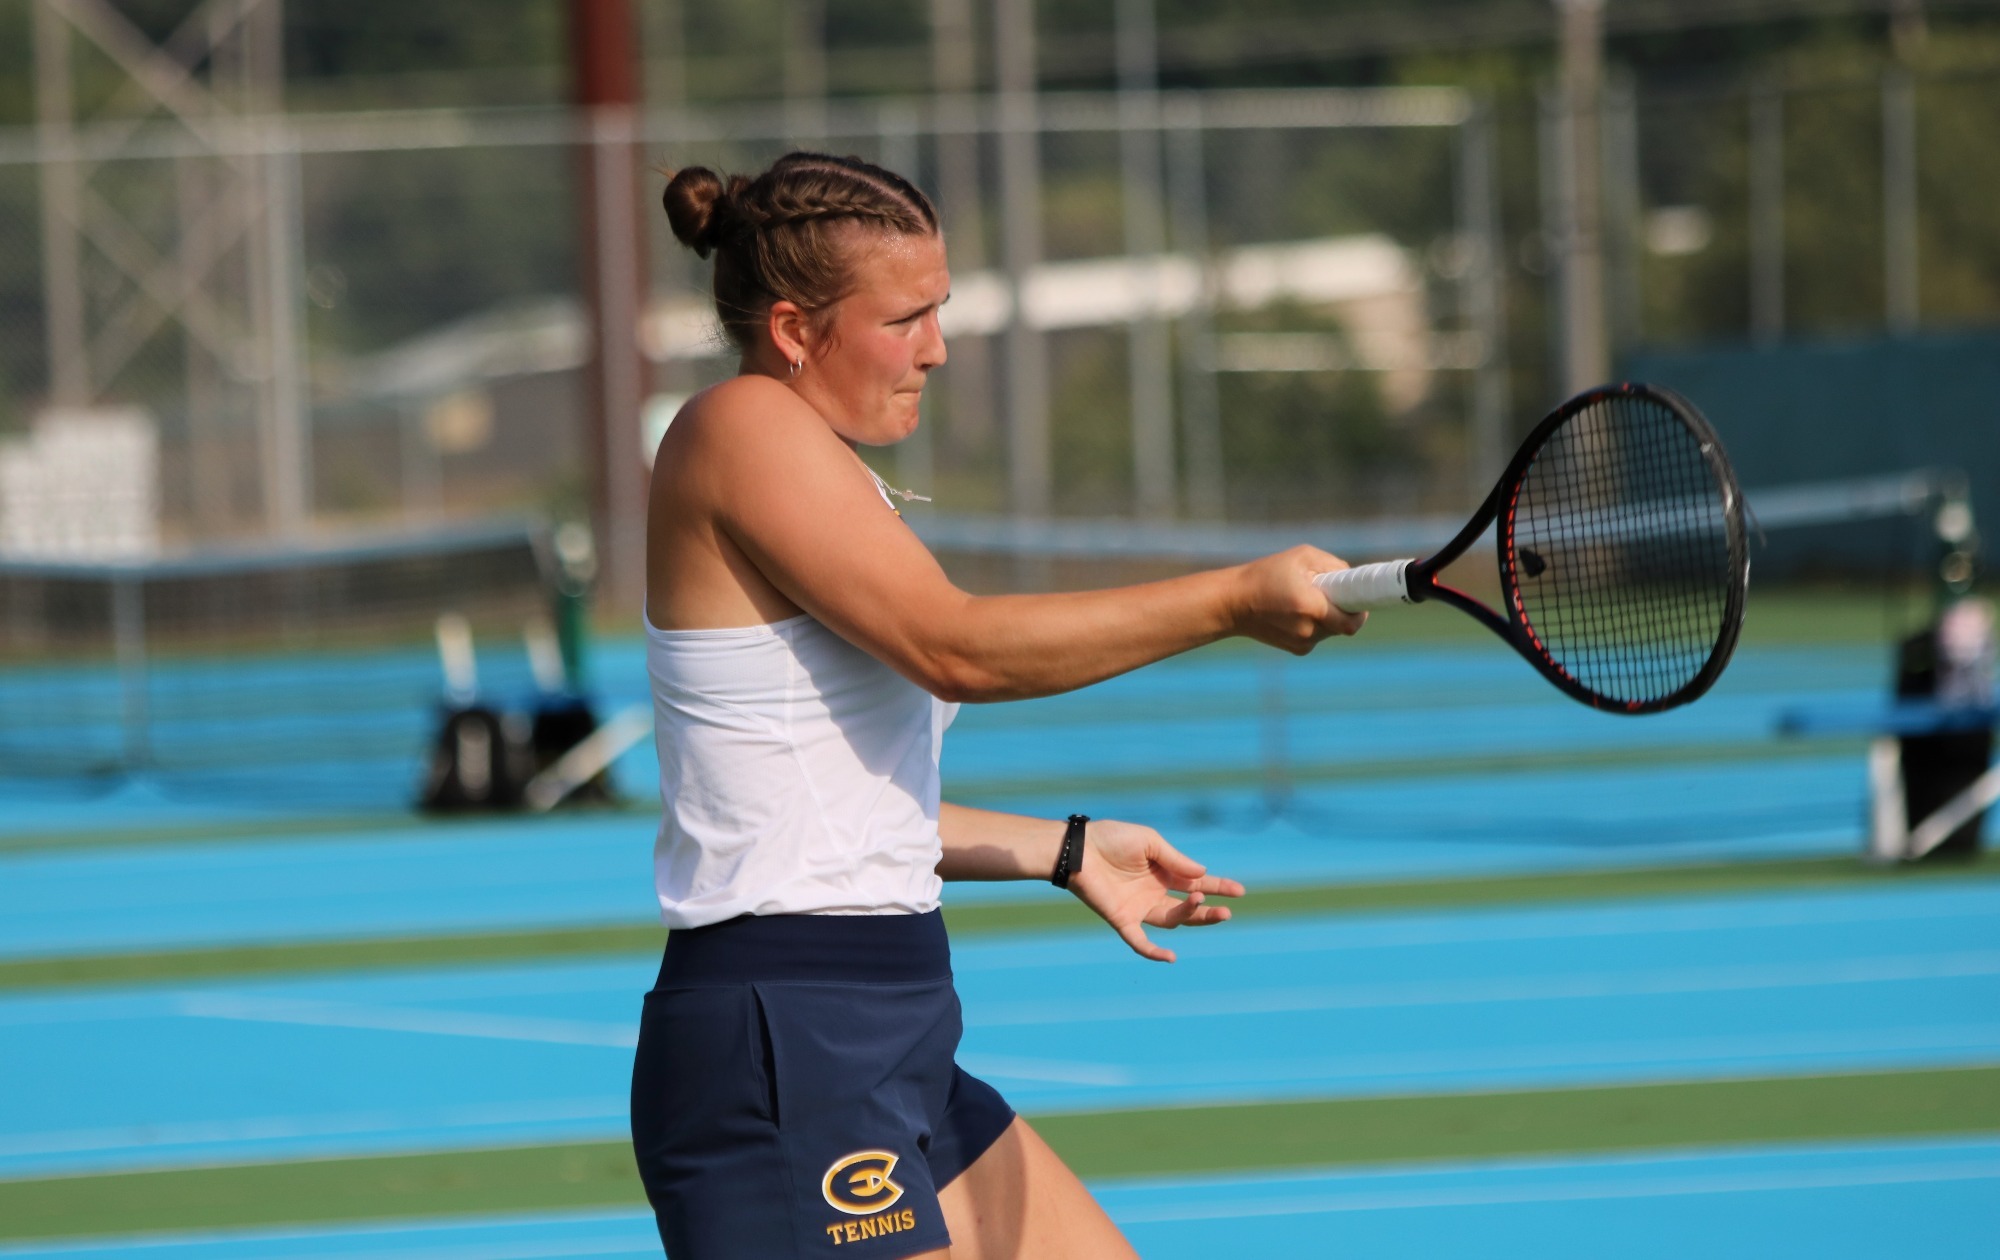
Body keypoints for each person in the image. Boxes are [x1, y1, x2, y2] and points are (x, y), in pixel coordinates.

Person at [630, 151, 1364, 1260]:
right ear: (792, 329)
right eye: (905, 317)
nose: (936, 345)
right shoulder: (738, 427)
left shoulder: (814, 464)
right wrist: (1226, 598)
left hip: (887, 1026)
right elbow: (953, 647)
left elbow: (833, 812)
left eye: (941, 309)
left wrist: (1064, 849)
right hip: (790, 1037)